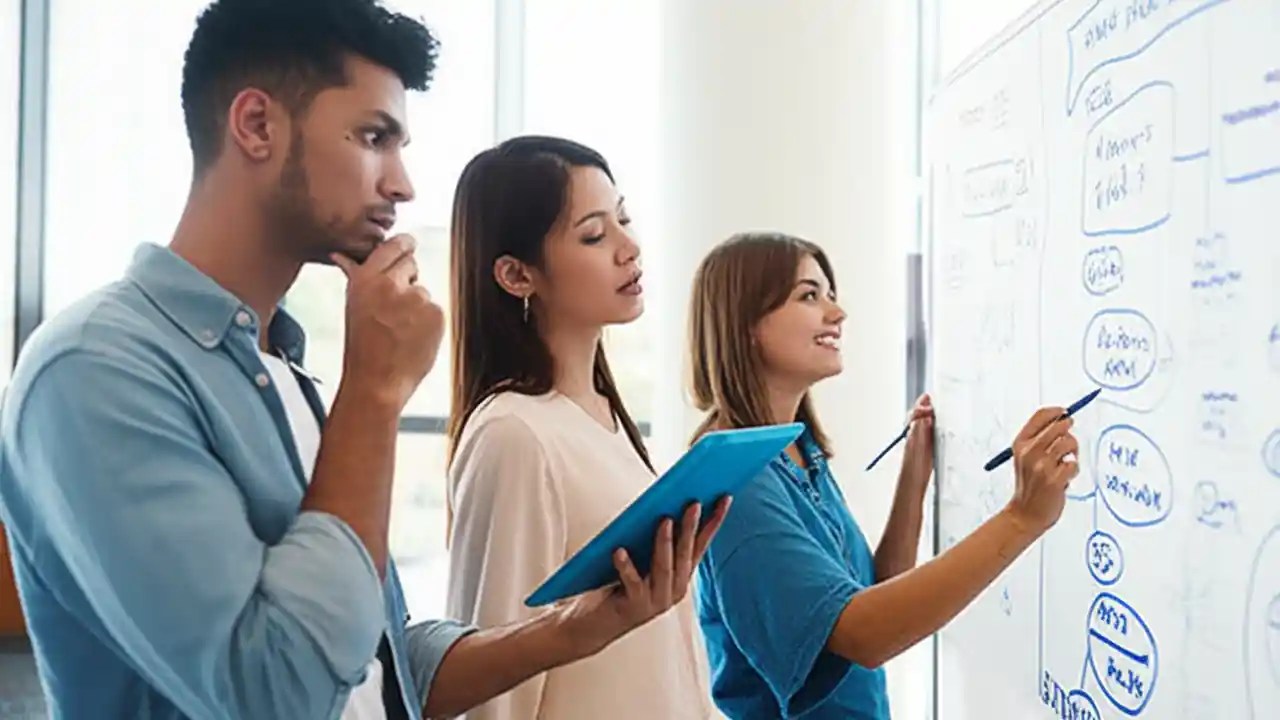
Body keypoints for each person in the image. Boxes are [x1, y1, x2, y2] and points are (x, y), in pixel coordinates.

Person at [0, 2, 718, 718]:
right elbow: (273, 692)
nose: (402, 184)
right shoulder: (96, 369)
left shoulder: (283, 371)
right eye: (374, 137)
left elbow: (374, 668)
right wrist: (374, 390)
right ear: (256, 126)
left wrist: (579, 627)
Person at [686, 233, 1081, 719]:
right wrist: (1021, 518)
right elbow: (861, 635)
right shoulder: (738, 480)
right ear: (744, 322)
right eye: (809, 296)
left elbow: (871, 592)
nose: (837, 313)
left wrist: (914, 479)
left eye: (830, 294)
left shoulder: (794, 450)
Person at [444, 135, 728, 720]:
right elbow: (493, 689)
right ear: (517, 275)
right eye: (595, 235)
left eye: (624, 219)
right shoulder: (514, 434)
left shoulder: (604, 418)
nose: (630, 247)